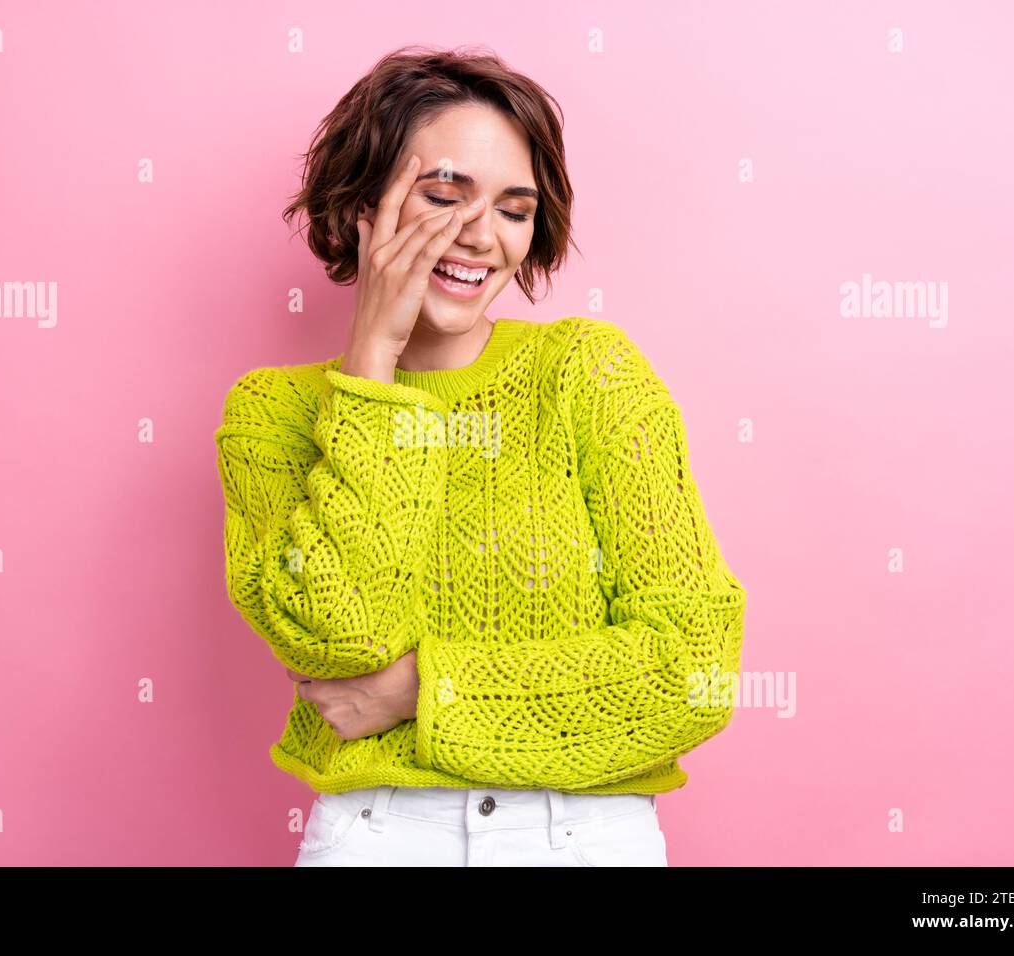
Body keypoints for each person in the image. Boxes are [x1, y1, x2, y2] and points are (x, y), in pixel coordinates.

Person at [215, 44, 747, 866]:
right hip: (378, 837)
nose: (480, 235)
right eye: (441, 194)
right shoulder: (274, 413)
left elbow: (690, 670)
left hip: (582, 837)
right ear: (361, 204)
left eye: (513, 208)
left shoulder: (587, 373)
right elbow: (337, 639)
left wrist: (422, 691)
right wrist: (372, 371)